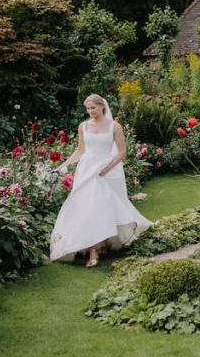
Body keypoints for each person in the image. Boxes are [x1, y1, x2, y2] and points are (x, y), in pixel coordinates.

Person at [49, 94, 153, 266]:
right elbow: (81, 150)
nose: (90, 112)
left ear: (102, 106)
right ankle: (92, 246)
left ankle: (95, 251)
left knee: (99, 207)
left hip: (105, 170)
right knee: (84, 207)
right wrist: (63, 165)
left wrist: (106, 169)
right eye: (88, 109)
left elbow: (121, 152)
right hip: (86, 170)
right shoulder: (83, 126)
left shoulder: (114, 127)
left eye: (93, 108)